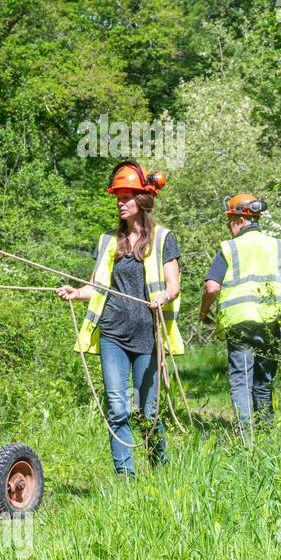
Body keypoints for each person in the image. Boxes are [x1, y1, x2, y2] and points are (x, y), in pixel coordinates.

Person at [56, 162, 184, 476]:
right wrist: (77, 293)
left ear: (142, 200)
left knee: (147, 411)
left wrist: (163, 297)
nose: (120, 203)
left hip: (147, 337)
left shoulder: (164, 238)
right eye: (118, 197)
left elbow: (174, 285)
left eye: (126, 197)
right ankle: (125, 477)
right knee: (117, 408)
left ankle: (160, 468)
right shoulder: (108, 242)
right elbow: (96, 288)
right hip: (112, 334)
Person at [199, 194, 281, 433]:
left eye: (229, 220)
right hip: (275, 323)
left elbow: (212, 287)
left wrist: (203, 311)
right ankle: (267, 432)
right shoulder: (280, 246)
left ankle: (246, 438)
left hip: (240, 322)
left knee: (241, 379)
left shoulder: (229, 247)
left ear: (239, 219)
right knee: (264, 381)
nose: (229, 226)